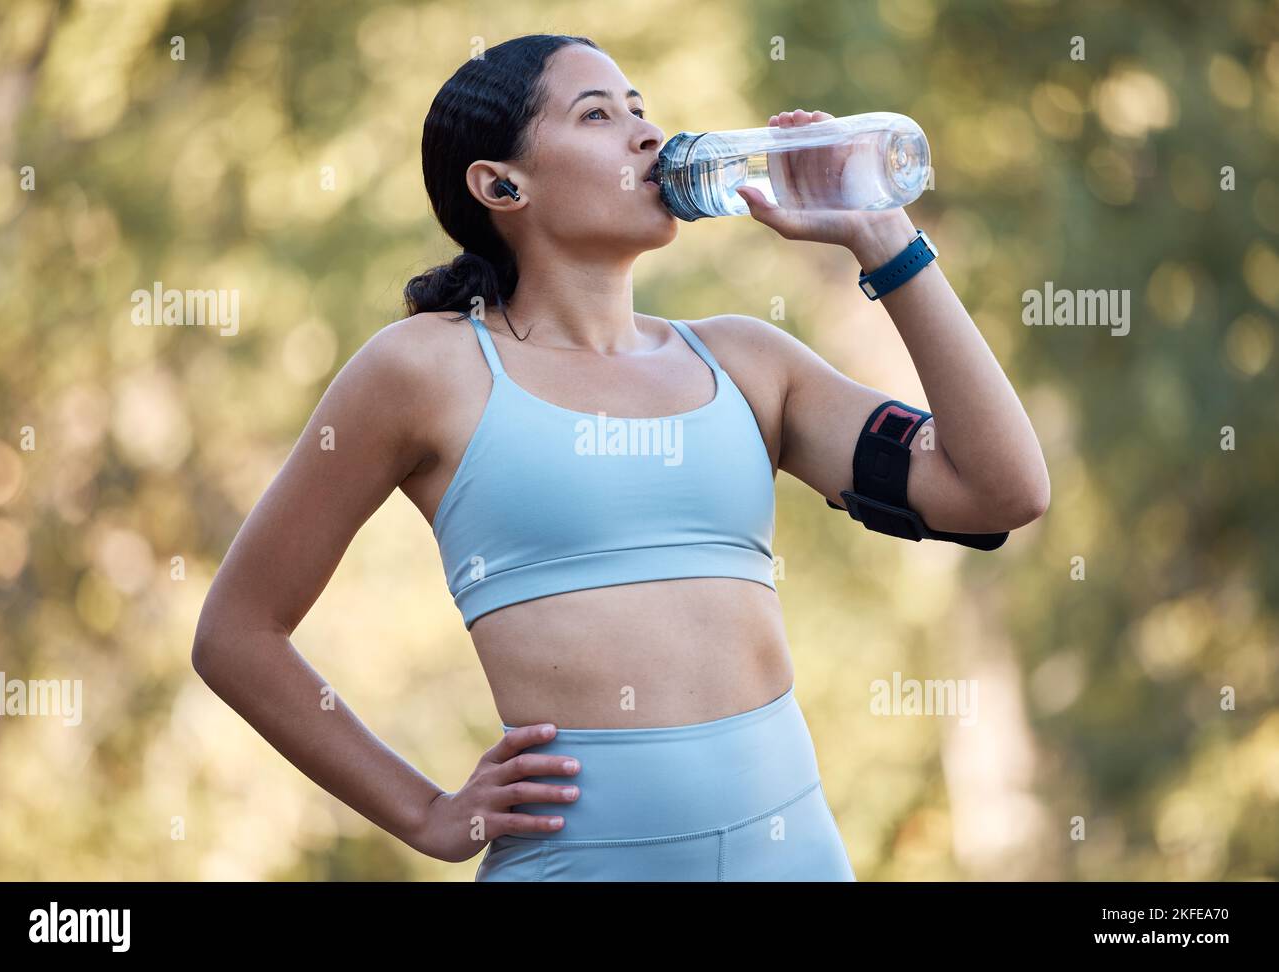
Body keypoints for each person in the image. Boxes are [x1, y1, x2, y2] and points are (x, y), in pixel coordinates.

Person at [191, 33, 1050, 882]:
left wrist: (884, 241)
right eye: (597, 114)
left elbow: (1000, 489)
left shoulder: (748, 363)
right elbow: (237, 634)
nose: (647, 134)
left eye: (642, 109)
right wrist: (423, 813)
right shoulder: (426, 367)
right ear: (501, 184)